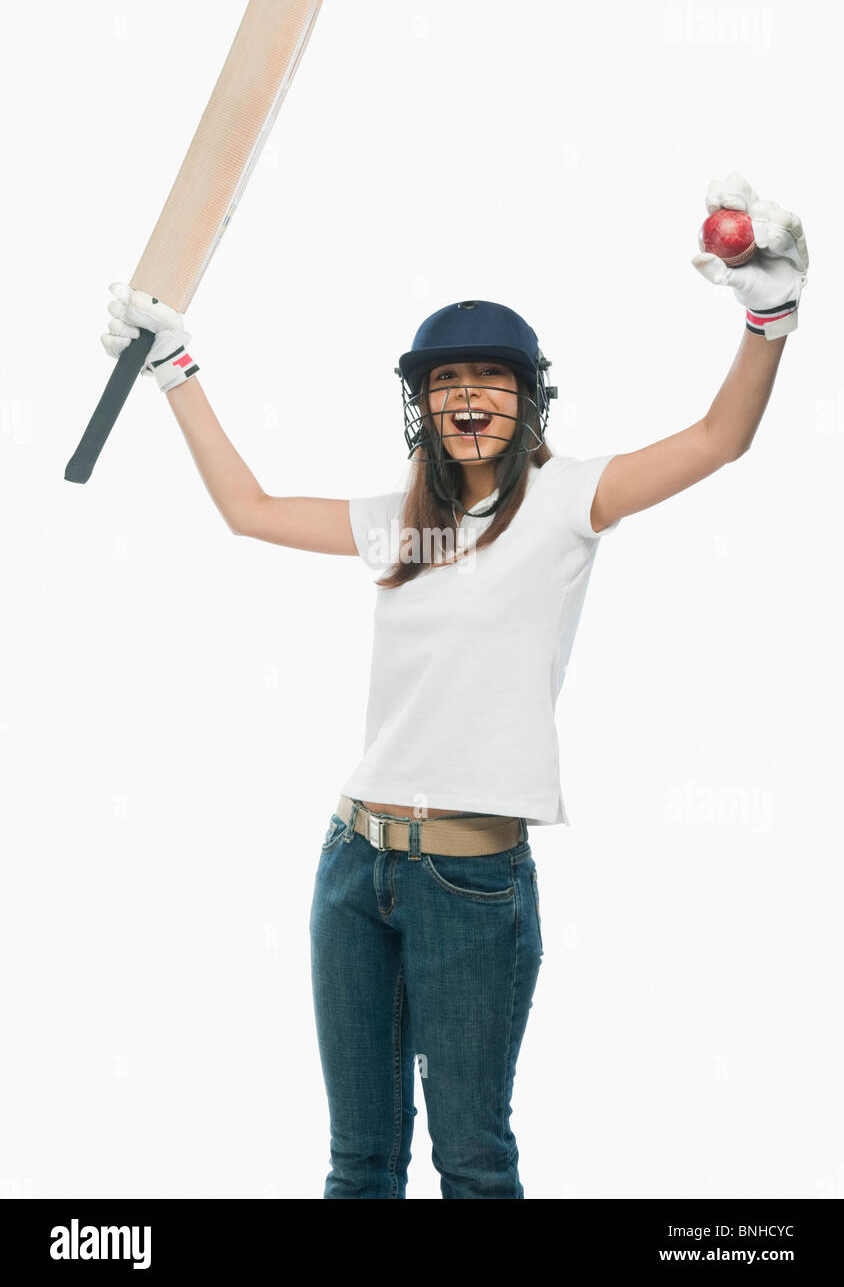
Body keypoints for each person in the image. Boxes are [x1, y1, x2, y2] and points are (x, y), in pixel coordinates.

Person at [100, 172, 808, 1199]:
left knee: (471, 1161)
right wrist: (175, 368)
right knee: (359, 1162)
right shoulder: (406, 521)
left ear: (529, 399)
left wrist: (766, 316)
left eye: (491, 377)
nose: (467, 396)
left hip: (467, 884)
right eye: (445, 381)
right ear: (419, 405)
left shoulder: (569, 501)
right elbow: (247, 509)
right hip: (351, 869)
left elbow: (718, 440)